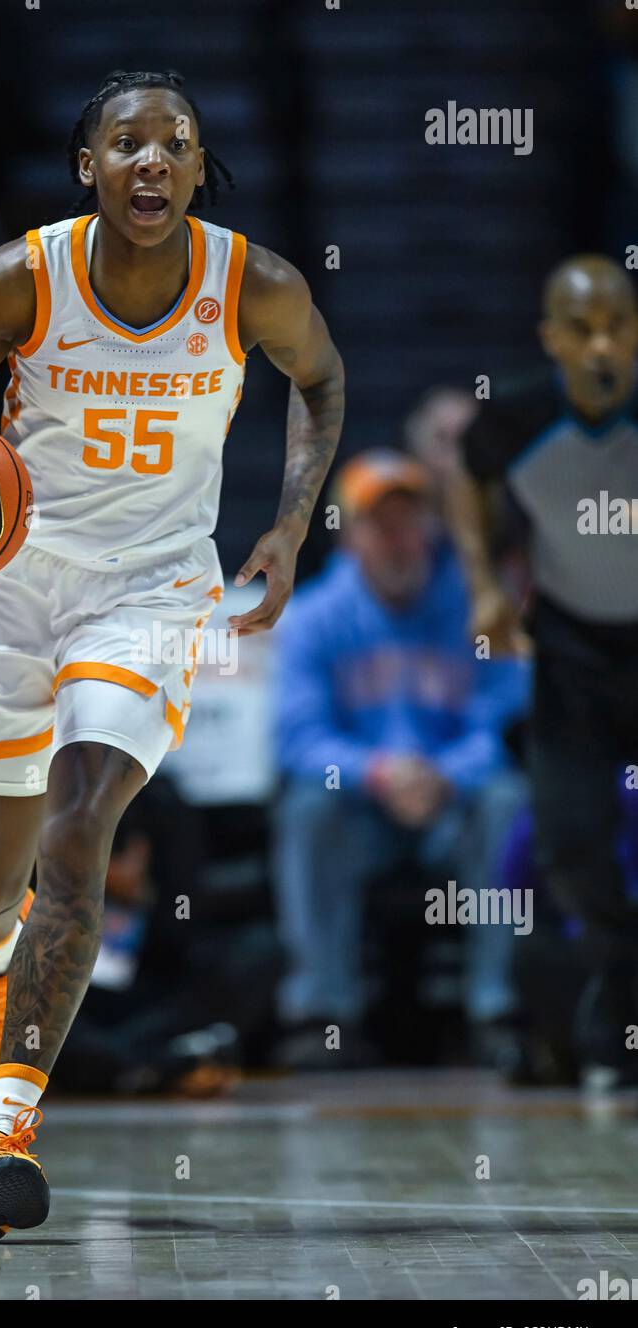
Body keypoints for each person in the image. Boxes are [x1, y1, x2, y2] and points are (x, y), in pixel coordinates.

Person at [0, 68, 345, 1240]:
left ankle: (4, 1131)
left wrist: (287, 516)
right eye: (129, 142)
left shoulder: (251, 284)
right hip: (8, 578)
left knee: (83, 818)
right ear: (91, 166)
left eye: (176, 142)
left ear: (197, 166)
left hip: (153, 586)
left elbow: (319, 381)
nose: (153, 159)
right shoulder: (21, 276)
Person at [272, 451, 529, 1068]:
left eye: (409, 521)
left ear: (431, 528)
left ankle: (495, 1010)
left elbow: (507, 722)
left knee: (508, 800)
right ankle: (321, 1013)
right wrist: (379, 772)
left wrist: (445, 775)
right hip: (363, 810)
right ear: (350, 533)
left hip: (453, 807)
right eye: (378, 524)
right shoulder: (312, 616)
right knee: (308, 810)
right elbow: (298, 738)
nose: (396, 538)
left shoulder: (477, 609)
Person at [448, 253, 638, 1082]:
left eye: (618, 327)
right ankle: (621, 983)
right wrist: (485, 582)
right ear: (549, 338)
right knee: (565, 842)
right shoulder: (516, 418)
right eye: (582, 329)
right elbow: (466, 473)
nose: (601, 346)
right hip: (569, 651)